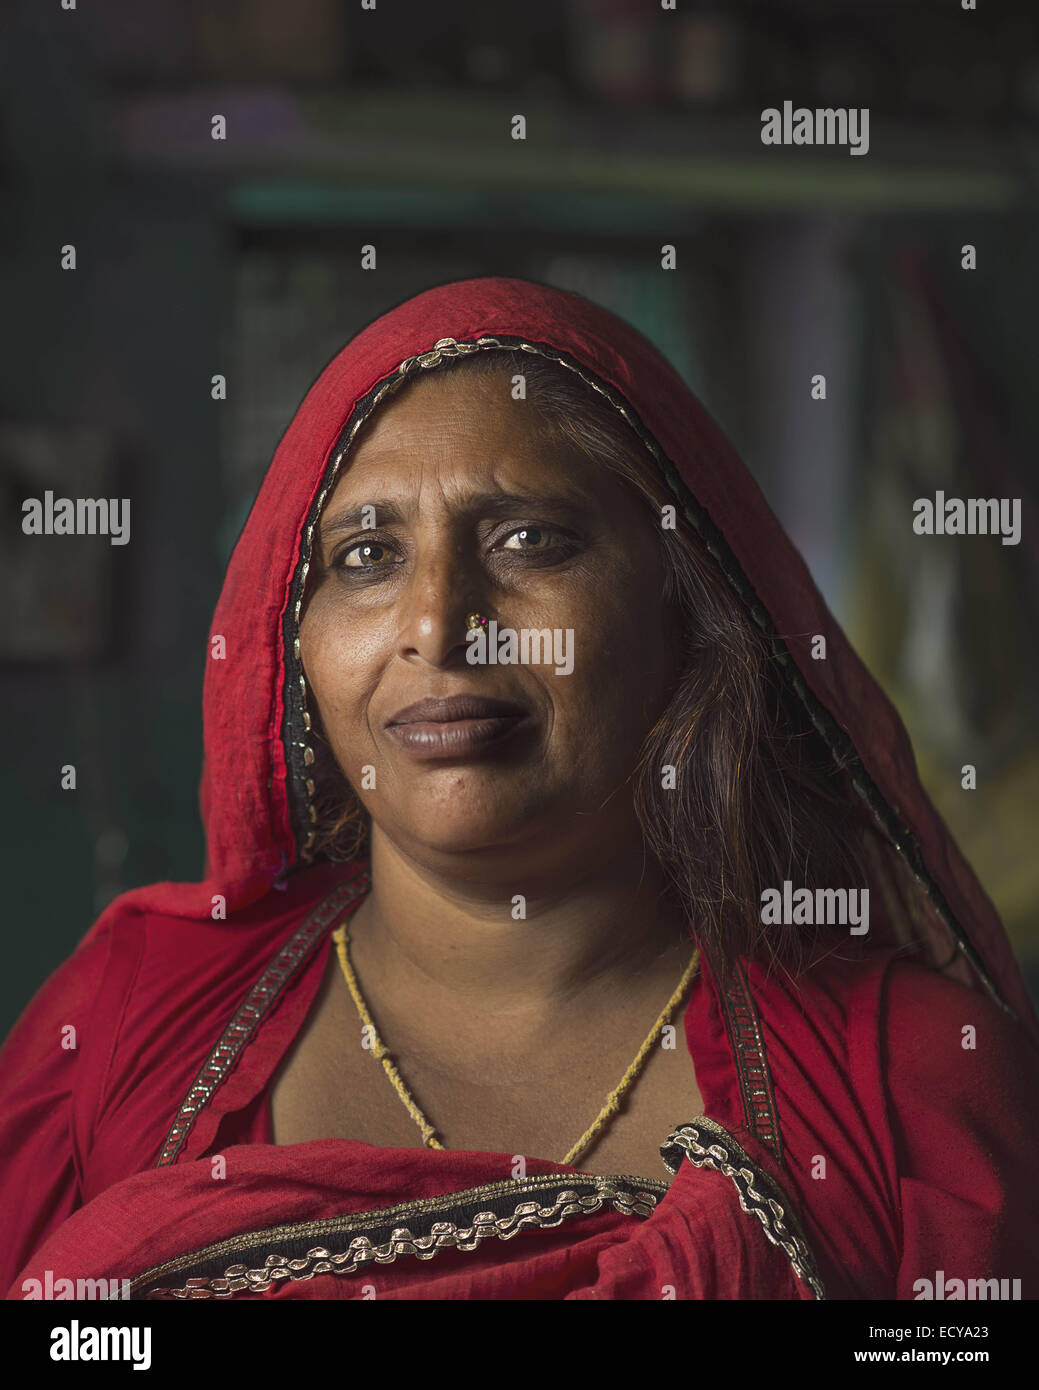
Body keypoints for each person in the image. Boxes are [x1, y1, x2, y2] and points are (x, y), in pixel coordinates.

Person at [2, 276, 1037, 1301]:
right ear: (297, 640)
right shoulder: (123, 1027)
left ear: (684, 605)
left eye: (528, 540)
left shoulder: (912, 1086)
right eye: (366, 555)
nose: (437, 625)